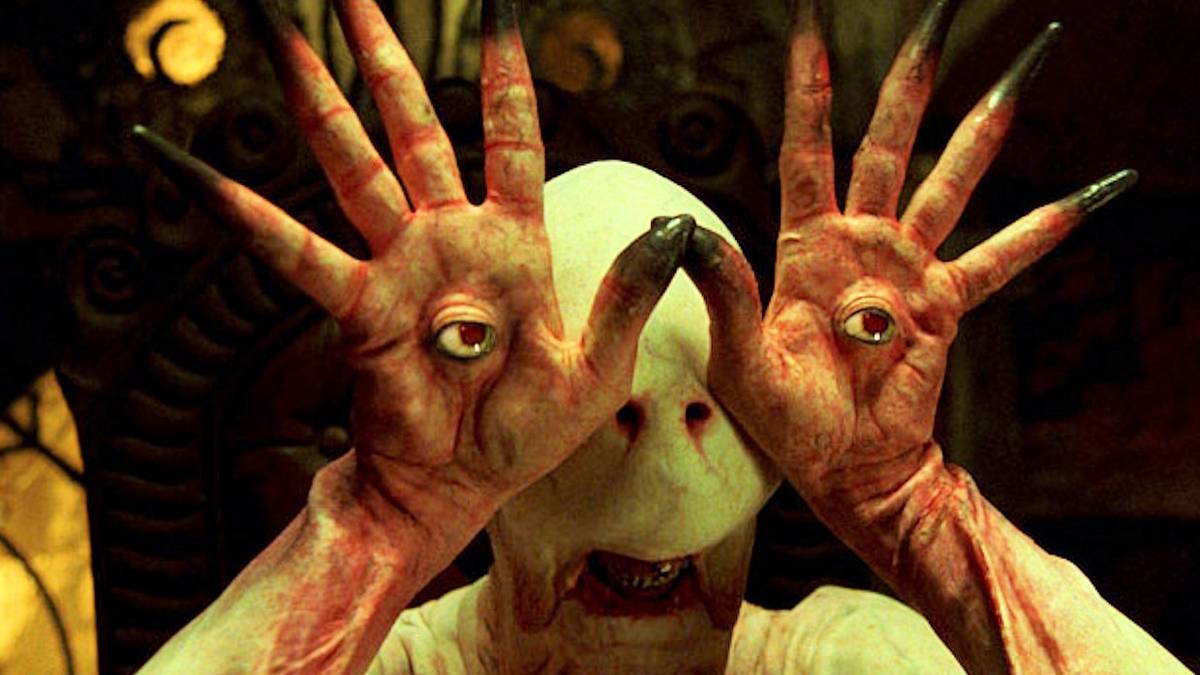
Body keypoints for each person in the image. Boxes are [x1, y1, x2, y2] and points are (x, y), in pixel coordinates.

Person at [133, 0, 1191, 672]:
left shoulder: (839, 656)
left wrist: (911, 506)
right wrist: (381, 520)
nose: (659, 442)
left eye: (716, 399)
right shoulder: (395, 661)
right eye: (597, 398)